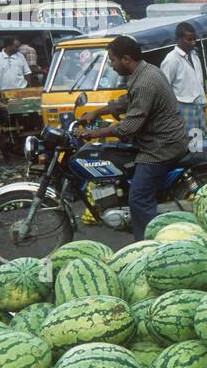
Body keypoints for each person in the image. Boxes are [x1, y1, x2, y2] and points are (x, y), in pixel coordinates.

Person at [76, 35, 189, 239]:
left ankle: (147, 245)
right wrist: (96, 113)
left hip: (162, 146)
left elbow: (129, 125)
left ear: (126, 59)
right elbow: (127, 102)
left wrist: (94, 134)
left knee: (138, 197)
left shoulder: (145, 82)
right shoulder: (145, 72)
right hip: (158, 139)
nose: (112, 65)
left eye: (112, 60)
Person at [161, 21, 207, 142]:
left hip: (199, 107)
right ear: (179, 39)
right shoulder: (171, 59)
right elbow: (164, 89)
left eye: (194, 39)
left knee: (202, 145)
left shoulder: (194, 55)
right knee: (191, 147)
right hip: (184, 109)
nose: (193, 43)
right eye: (189, 40)